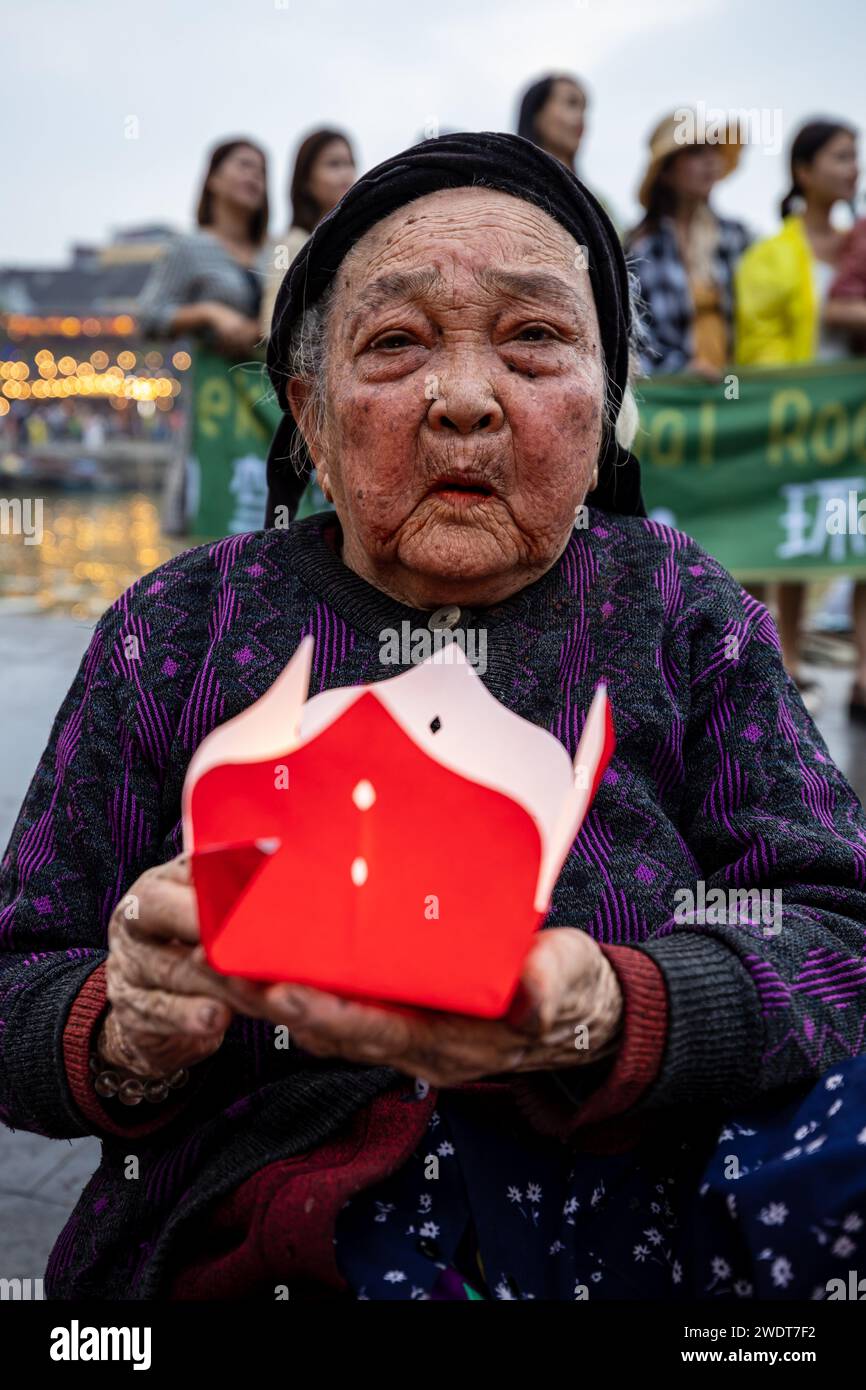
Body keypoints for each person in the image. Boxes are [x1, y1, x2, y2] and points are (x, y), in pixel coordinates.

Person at [3, 133, 866, 1302]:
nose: (463, 400)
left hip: (666, 1217)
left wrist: (610, 1008)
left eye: (532, 340)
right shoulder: (178, 627)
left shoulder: (679, 607)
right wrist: (126, 1027)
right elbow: (19, 978)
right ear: (308, 412)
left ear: (607, 403)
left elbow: (839, 935)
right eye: (395, 343)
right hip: (267, 1222)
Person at [735, 119, 863, 717]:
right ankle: (782, 664)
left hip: (855, 416)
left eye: (855, 156)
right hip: (795, 416)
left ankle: (862, 669)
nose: (853, 167)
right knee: (786, 533)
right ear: (803, 171)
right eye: (840, 156)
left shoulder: (860, 243)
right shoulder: (768, 255)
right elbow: (757, 349)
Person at [135, 137, 271, 532]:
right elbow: (147, 316)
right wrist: (210, 314)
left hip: (273, 405)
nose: (255, 177)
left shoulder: (276, 251)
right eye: (244, 165)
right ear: (212, 179)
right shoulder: (189, 249)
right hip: (217, 409)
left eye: (262, 171)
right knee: (216, 512)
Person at [626, 110, 750, 378]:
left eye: (714, 149)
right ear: (667, 172)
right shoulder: (642, 248)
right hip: (677, 404)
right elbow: (634, 336)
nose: (709, 161)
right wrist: (681, 370)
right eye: (695, 152)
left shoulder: (737, 238)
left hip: (738, 398)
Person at [259, 128, 356, 338]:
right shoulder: (290, 245)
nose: (346, 173)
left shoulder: (364, 238)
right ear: (306, 182)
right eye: (334, 164)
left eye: (350, 163)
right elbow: (272, 323)